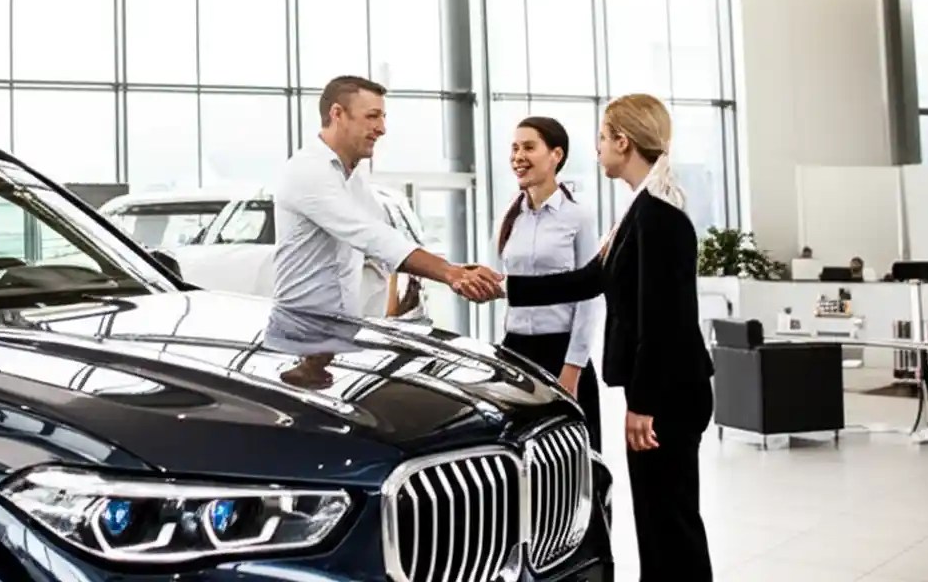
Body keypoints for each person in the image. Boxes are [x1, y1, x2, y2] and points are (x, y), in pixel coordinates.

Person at [495, 94, 714, 581]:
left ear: (623, 141)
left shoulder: (657, 216)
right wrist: (505, 287)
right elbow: (590, 279)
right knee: (657, 519)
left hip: (669, 397)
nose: (596, 148)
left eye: (601, 137)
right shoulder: (639, 211)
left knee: (671, 522)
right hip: (665, 393)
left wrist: (643, 403)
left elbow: (665, 321)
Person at [273, 75, 502, 318]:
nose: (382, 129)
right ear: (337, 114)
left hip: (337, 328)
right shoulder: (309, 171)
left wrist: (456, 270)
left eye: (383, 117)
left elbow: (386, 242)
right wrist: (449, 272)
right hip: (300, 330)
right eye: (372, 116)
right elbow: (373, 236)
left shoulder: (353, 177)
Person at [496, 116, 604, 452]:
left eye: (529, 147)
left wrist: (572, 368)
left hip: (561, 352)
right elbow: (501, 285)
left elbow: (589, 296)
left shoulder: (578, 218)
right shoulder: (510, 218)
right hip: (515, 352)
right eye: (515, 148)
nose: (518, 156)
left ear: (556, 155)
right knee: (520, 454)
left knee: (573, 453)